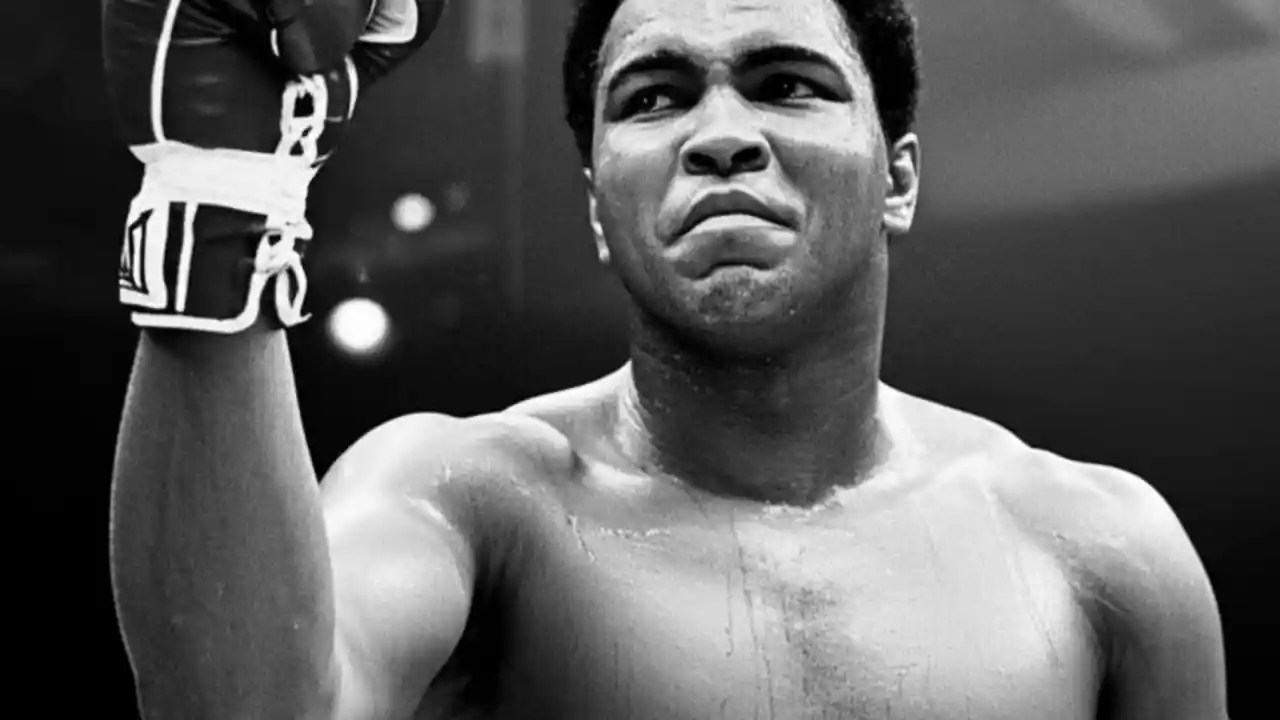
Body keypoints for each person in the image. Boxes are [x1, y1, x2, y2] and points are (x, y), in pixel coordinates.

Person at [105, 0, 1230, 717]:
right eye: (655, 97)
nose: (720, 134)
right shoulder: (466, 498)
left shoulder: (1102, 549)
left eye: (785, 83)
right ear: (597, 205)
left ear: (897, 175)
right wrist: (219, 187)